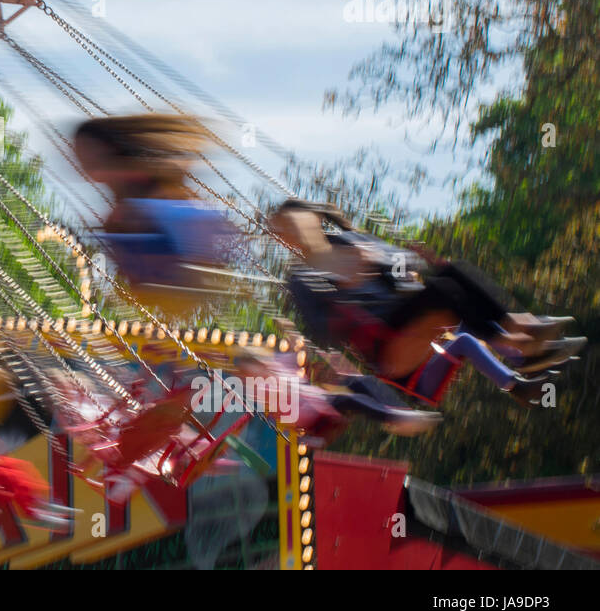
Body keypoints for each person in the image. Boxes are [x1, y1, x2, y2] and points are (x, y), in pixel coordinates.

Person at [269, 200, 584, 406]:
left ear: (314, 220)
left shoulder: (351, 242)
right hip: (384, 347)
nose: (291, 235)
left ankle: (518, 331)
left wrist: (381, 262)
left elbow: (409, 270)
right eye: (284, 232)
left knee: (452, 272)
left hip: (405, 318)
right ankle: (517, 349)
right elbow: (324, 336)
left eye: (293, 224)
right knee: (443, 295)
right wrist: (343, 292)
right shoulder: (302, 278)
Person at [74, 114, 236, 315]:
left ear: (106, 150)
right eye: (79, 157)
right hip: (164, 266)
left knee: (121, 221)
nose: (81, 164)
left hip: (175, 245)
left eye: (86, 155)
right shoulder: (118, 203)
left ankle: (175, 282)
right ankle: (164, 286)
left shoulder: (138, 179)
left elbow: (172, 189)